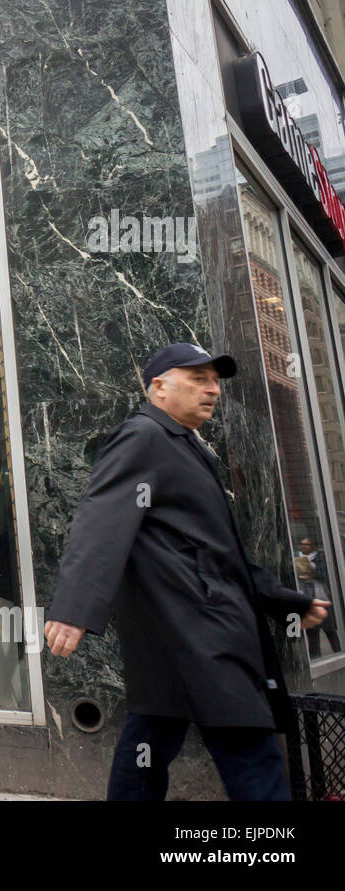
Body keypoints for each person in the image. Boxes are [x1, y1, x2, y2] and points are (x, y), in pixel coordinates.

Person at [45, 343, 331, 801]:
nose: (213, 390)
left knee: (148, 746)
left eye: (215, 381)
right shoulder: (143, 437)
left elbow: (218, 552)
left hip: (185, 636)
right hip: (201, 636)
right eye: (198, 379)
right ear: (159, 386)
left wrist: (286, 602)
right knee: (251, 752)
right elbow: (101, 520)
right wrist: (74, 608)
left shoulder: (185, 447)